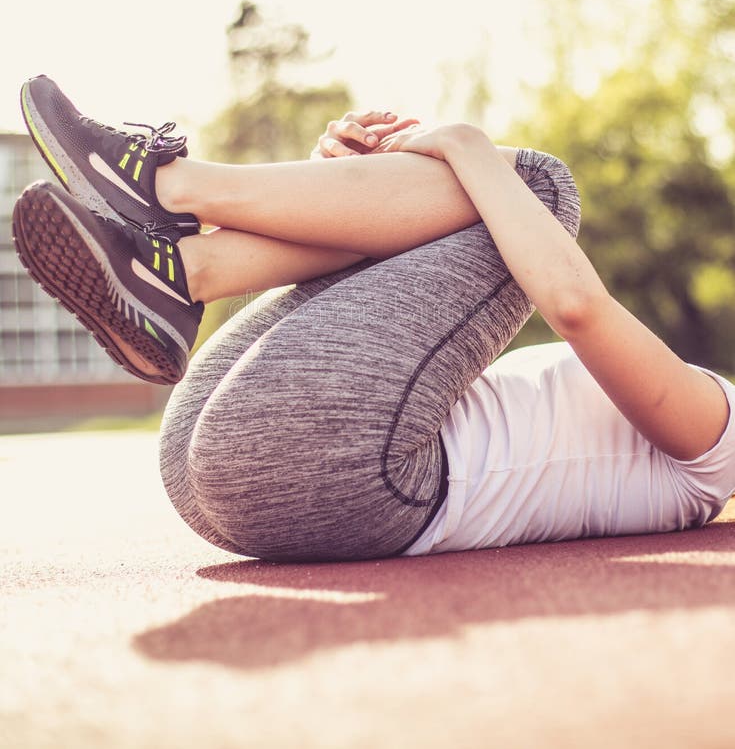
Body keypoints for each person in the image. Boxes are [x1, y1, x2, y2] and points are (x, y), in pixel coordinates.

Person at [13, 76, 735, 562]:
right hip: (224, 476)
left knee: (536, 187)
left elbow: (575, 305)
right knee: (463, 208)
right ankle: (187, 276)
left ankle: (166, 184)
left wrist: (465, 146)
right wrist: (339, 190)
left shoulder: (719, 438)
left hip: (349, 473)